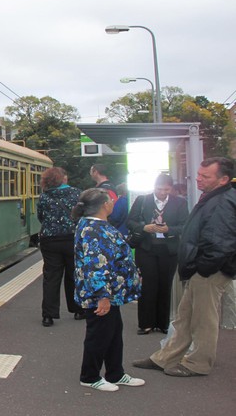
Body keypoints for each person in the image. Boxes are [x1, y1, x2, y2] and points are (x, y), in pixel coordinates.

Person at [133, 157, 236, 377]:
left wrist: (203, 267)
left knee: (203, 319)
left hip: (209, 269)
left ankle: (198, 363)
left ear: (223, 179)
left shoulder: (222, 202)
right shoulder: (215, 197)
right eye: (198, 174)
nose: (198, 179)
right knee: (185, 315)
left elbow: (221, 242)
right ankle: (165, 357)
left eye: (205, 176)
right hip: (203, 267)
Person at [73, 188, 144, 391]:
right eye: (111, 201)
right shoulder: (94, 230)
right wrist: (102, 296)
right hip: (100, 294)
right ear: (105, 205)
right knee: (99, 334)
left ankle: (115, 373)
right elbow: (96, 265)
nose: (113, 203)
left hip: (110, 292)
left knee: (113, 332)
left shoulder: (94, 225)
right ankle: (89, 376)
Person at [127, 173, 189, 335]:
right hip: (146, 248)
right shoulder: (142, 200)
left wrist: (169, 230)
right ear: (154, 187)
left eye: (166, 189)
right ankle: (146, 323)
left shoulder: (180, 203)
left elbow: (184, 225)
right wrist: (144, 227)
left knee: (165, 285)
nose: (162, 192)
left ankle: (163, 323)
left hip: (168, 249)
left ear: (171, 189)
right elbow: (130, 221)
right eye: (159, 189)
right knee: (148, 285)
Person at [36, 167, 84, 327]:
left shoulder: (44, 196)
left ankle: (48, 316)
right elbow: (82, 215)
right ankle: (78, 310)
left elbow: (40, 216)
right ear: (63, 178)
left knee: (51, 276)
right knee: (73, 274)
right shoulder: (77, 194)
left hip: (50, 240)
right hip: (72, 238)